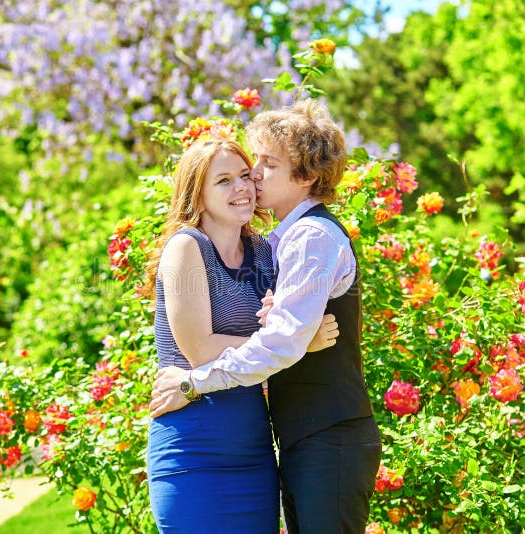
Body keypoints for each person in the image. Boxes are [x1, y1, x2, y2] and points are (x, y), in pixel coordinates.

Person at [150, 100, 382, 533]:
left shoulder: (304, 238)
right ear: (196, 192)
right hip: (227, 442)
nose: (252, 176)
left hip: (307, 439)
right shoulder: (269, 247)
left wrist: (288, 338)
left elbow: (280, 342)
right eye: (235, 173)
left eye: (265, 164)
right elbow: (230, 344)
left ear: (307, 175)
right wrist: (296, 336)